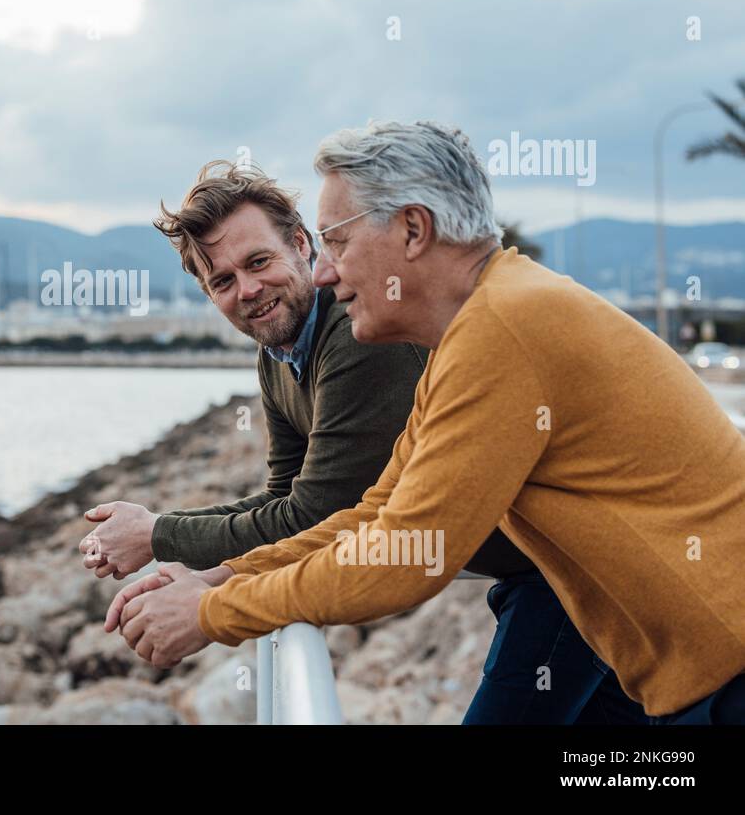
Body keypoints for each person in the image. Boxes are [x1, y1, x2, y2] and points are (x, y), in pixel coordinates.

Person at [109, 121, 745, 724]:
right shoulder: (466, 336)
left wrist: (214, 612)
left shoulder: (503, 329)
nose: (325, 271)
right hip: (680, 676)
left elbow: (405, 558)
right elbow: (373, 513)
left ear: (413, 230)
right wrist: (225, 573)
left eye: (335, 241)